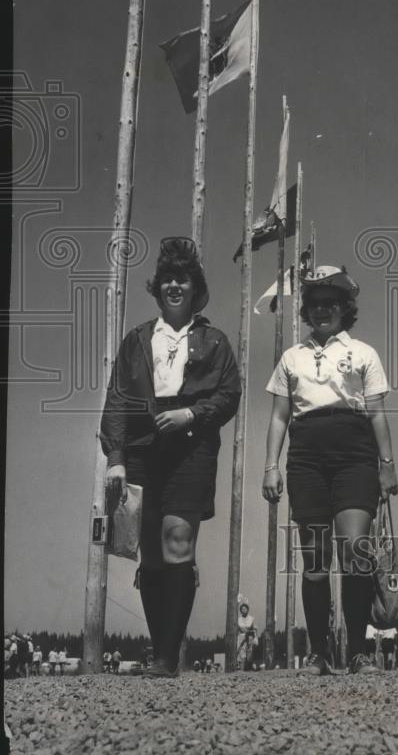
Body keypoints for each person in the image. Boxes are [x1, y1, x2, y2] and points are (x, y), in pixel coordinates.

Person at [101, 238, 242, 678]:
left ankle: (166, 657)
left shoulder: (214, 341)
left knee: (178, 540)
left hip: (192, 447)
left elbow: (229, 394)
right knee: (151, 554)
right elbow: (118, 397)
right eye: (167, 280)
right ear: (157, 288)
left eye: (182, 279)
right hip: (142, 448)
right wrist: (117, 457)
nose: (174, 286)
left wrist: (191, 414)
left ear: (194, 287)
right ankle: (159, 644)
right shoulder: (137, 340)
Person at [263, 265, 398, 676]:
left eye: (331, 303)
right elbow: (279, 417)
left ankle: (358, 651)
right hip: (306, 459)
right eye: (315, 304)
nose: (322, 310)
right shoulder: (291, 357)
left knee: (356, 548)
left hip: (355, 457)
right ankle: (319, 653)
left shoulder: (364, 353)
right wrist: (271, 466)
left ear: (345, 308)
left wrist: (387, 464)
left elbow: (376, 414)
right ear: (306, 309)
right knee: (316, 558)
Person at [236, 602, 257, 672]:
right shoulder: (238, 619)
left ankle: (250, 668)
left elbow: (254, 629)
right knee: (241, 653)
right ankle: (242, 669)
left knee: (249, 652)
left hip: (250, 637)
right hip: (241, 637)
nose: (243, 610)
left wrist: (256, 638)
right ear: (240, 611)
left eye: (245, 609)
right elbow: (237, 629)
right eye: (242, 609)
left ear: (247, 610)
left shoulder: (251, 618)